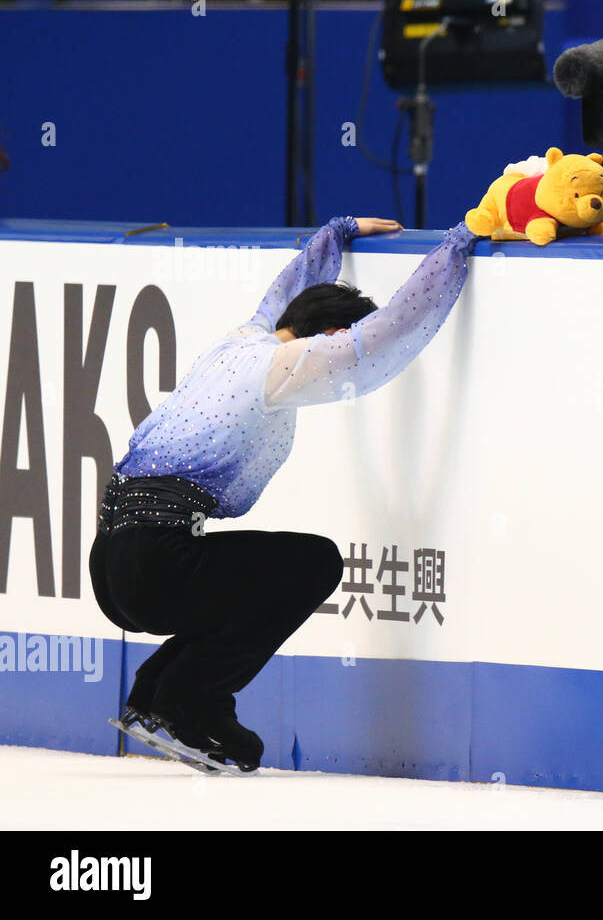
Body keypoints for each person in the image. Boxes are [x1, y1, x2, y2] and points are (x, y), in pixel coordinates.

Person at [88, 216, 478, 771]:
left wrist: (335, 234)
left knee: (250, 576)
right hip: (156, 566)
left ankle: (153, 698)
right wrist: (459, 243)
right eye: (343, 341)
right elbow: (391, 329)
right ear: (335, 338)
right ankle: (190, 705)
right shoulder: (285, 365)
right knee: (310, 563)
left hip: (110, 559)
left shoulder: (242, 339)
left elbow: (285, 297)